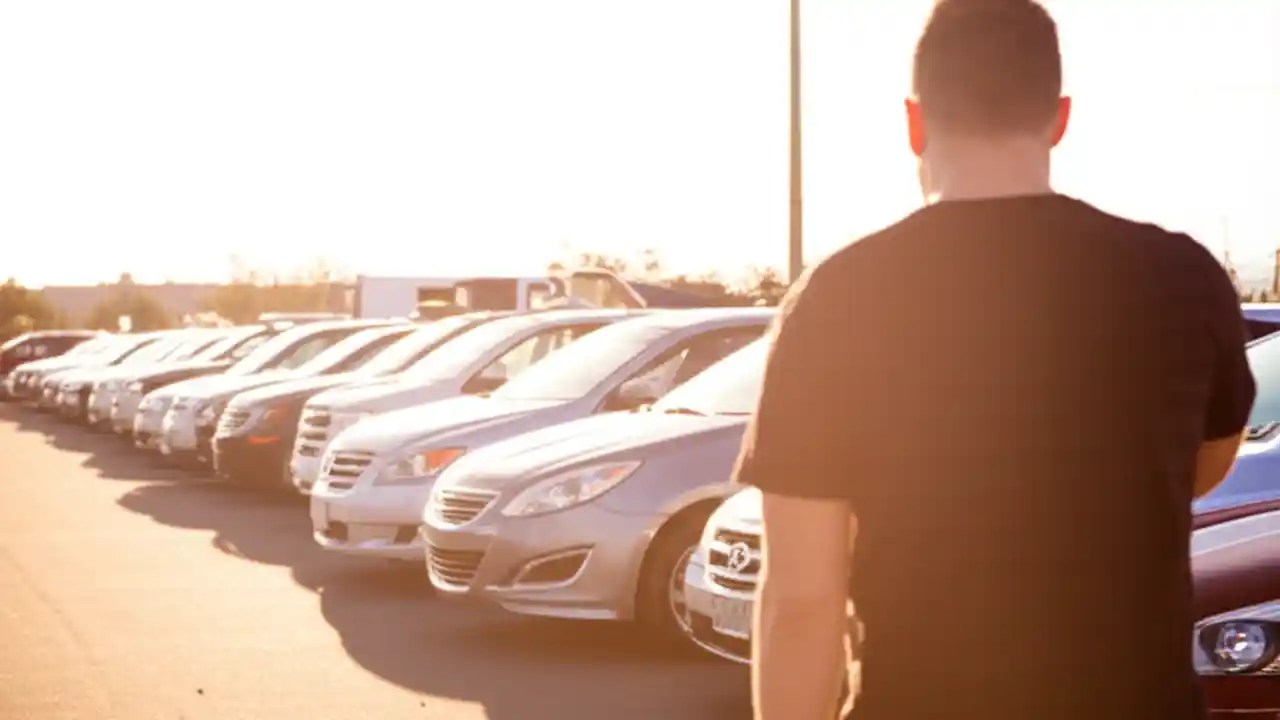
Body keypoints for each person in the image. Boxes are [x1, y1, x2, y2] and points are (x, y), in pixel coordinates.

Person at [734, 1, 1257, 718]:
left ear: (915, 124)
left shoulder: (838, 300)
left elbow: (801, 602)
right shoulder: (1182, 277)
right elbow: (1201, 468)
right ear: (1059, 117)